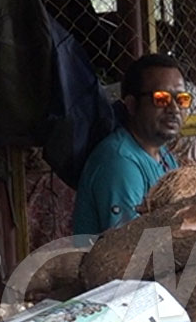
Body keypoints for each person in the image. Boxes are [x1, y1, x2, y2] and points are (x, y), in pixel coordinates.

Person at [73, 54, 184, 235]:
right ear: (132, 105)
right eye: (161, 98)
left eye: (181, 99)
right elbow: (127, 249)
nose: (174, 108)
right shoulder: (119, 162)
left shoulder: (164, 156)